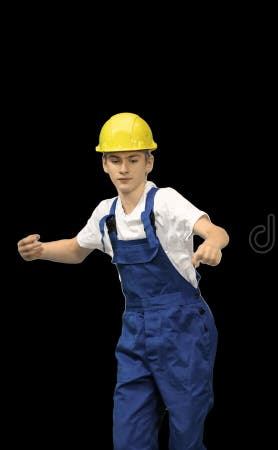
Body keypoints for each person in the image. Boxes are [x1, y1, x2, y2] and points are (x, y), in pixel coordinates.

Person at [17, 112, 229, 450]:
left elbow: (214, 230)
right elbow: (76, 249)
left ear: (149, 162)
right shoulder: (105, 214)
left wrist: (213, 244)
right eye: (115, 160)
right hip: (136, 331)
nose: (124, 168)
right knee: (129, 433)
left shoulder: (166, 201)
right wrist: (40, 251)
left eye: (133, 159)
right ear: (104, 164)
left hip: (184, 327)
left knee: (187, 429)